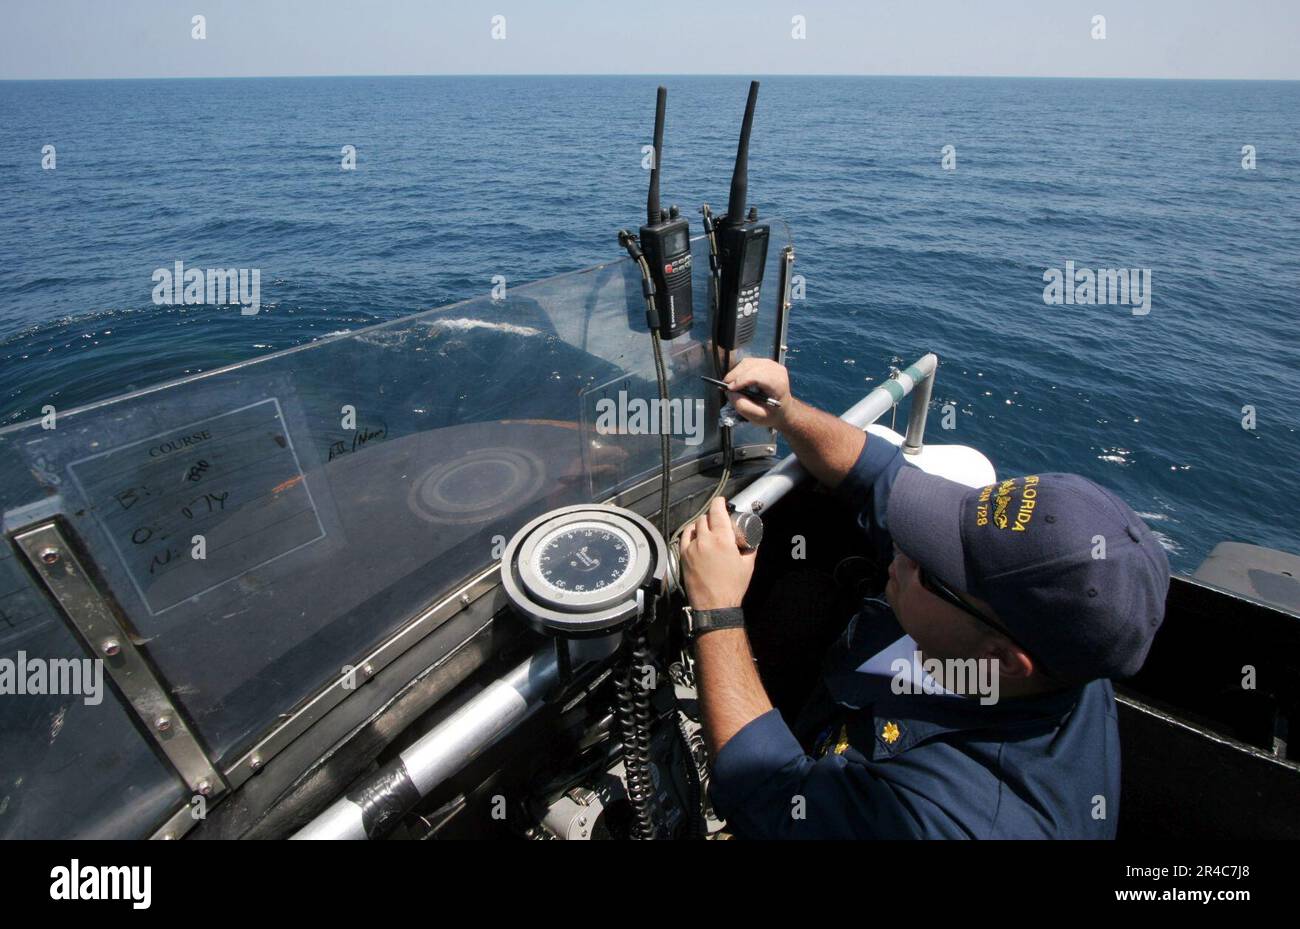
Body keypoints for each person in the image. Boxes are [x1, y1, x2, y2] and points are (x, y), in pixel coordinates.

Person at [677, 358, 1170, 838]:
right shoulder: (1053, 641)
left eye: (931, 567)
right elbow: (876, 476)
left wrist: (717, 612)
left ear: (1001, 657)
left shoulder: (953, 816)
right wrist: (786, 411)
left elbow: (768, 800)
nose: (903, 550)